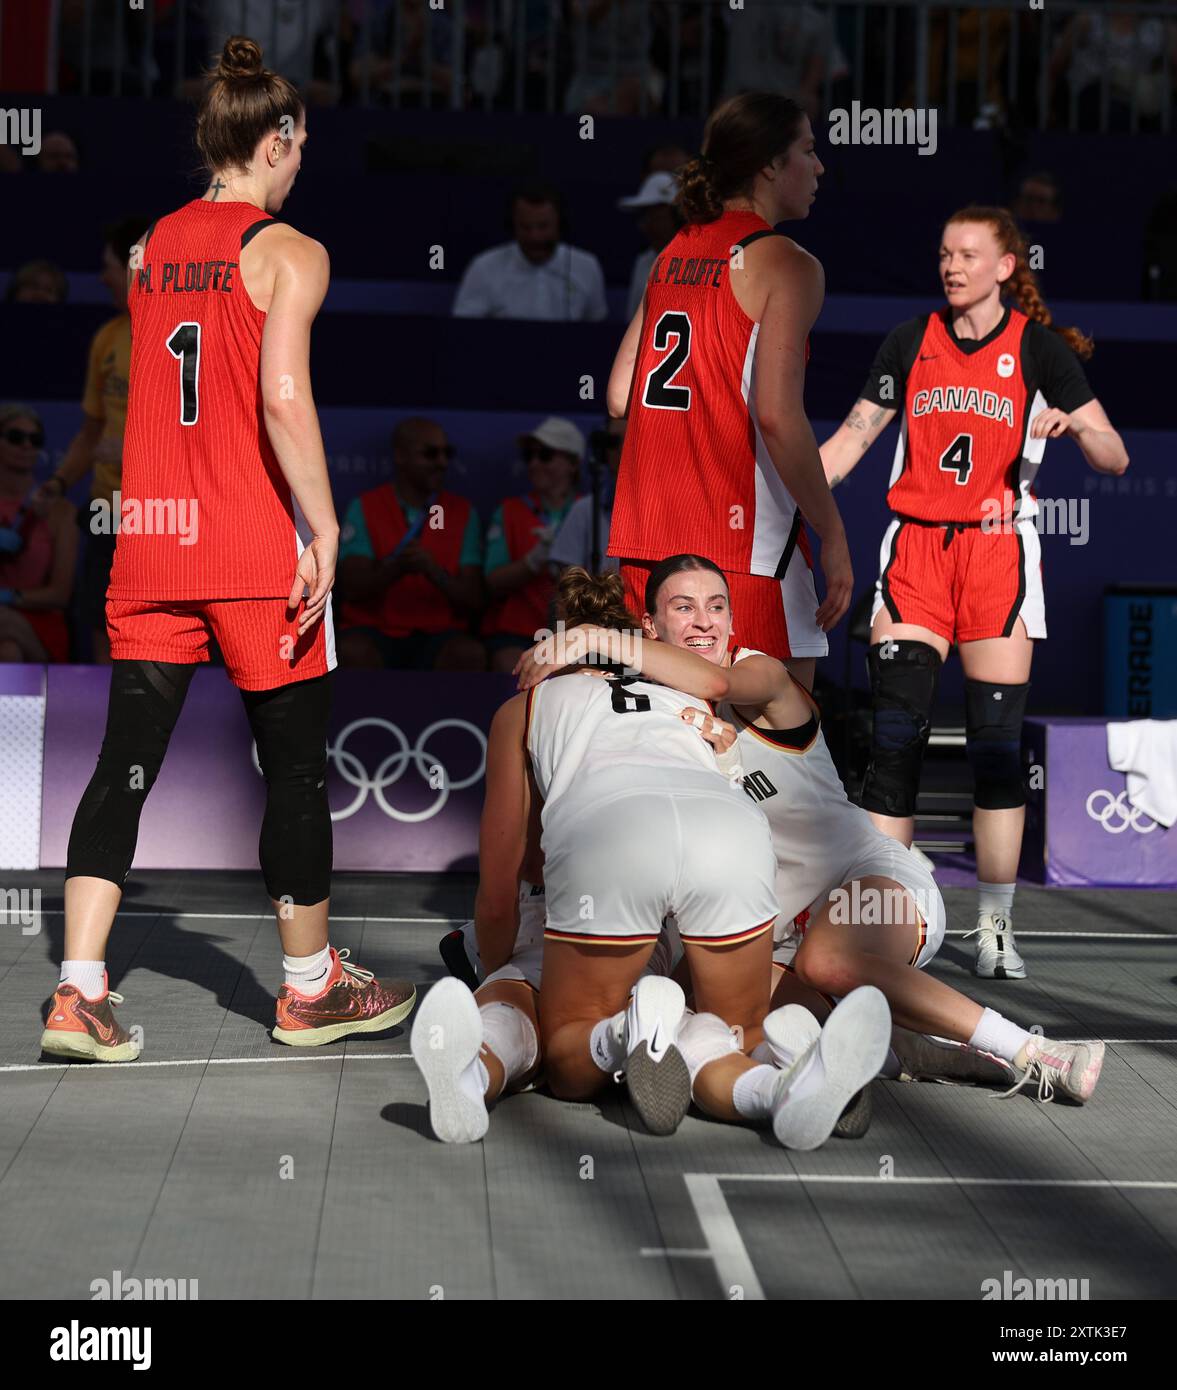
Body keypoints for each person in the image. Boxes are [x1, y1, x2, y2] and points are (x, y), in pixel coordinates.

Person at [41, 35, 414, 1065]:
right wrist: (327, 526)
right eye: (301, 145)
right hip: (255, 551)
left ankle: (76, 989)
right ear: (278, 139)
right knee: (294, 774)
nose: (303, 165)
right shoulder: (292, 250)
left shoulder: (152, 246)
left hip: (154, 546)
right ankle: (306, 987)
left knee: (124, 764)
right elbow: (281, 397)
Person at [515, 554, 1106, 1109]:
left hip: (865, 881)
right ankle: (918, 1052)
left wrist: (592, 637)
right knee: (716, 1016)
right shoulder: (644, 709)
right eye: (684, 607)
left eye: (716, 605)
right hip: (775, 931)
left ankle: (1034, 1051)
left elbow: (716, 686)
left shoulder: (759, 674)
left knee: (830, 959)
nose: (704, 621)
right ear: (651, 623)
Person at [414, 566, 892, 1147]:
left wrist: (492, 972)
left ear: (551, 646)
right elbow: (720, 698)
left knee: (565, 1058)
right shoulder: (688, 687)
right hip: (728, 833)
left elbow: (496, 891)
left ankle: (558, 1050)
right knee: (729, 1034)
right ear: (639, 636)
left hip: (611, 835)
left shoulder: (526, 708)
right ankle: (784, 1082)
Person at [818, 206, 1129, 980]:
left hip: (997, 555)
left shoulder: (1037, 349)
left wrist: (1075, 427)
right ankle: (888, 926)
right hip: (917, 549)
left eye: (967, 253)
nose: (950, 264)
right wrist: (781, 489)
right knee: (894, 743)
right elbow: (853, 439)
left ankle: (993, 928)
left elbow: (1114, 455)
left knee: (995, 751)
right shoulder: (907, 341)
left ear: (1003, 266)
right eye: (942, 252)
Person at [606, 92, 853, 691]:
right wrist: (834, 532)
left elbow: (618, 394)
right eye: (808, 150)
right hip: (741, 552)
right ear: (770, 164)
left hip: (648, 540)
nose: (819, 167)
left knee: (666, 744)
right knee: (780, 753)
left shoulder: (674, 251)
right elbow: (777, 415)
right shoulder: (789, 263)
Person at [32, 215, 151, 663]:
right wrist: (59, 483)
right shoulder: (107, 337)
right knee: (102, 621)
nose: (102, 277)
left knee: (153, 629)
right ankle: (109, 724)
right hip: (108, 505)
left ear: (136, 265)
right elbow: (90, 432)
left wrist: (134, 453)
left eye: (110, 266)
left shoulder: (181, 335)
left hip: (164, 513)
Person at [336, 417, 485, 671]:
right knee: (352, 651)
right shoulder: (365, 507)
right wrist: (396, 568)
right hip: (375, 629)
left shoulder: (461, 511)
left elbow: (474, 598)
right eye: (430, 453)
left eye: (446, 453)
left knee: (468, 654)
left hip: (440, 632)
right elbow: (352, 588)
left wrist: (433, 571)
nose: (442, 462)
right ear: (400, 457)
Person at [482, 416, 583, 673]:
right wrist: (532, 562)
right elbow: (491, 583)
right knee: (512, 665)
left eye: (546, 455)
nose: (535, 464)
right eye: (530, 456)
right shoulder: (510, 511)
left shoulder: (591, 511)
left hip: (578, 630)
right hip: (517, 631)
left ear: (572, 463)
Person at [452, 181, 608, 322]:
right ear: (512, 225)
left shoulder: (587, 266)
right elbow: (463, 328)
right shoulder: (483, 267)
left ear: (560, 224)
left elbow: (597, 327)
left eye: (543, 226)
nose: (535, 237)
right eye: (526, 227)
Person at [0, 403, 77, 663]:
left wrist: (10, 597)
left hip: (40, 626)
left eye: (35, 440)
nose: (26, 446)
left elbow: (60, 594)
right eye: (15, 437)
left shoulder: (61, 512)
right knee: (7, 651)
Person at [548, 416, 624, 575]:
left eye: (631, 439)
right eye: (614, 441)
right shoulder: (586, 509)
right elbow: (566, 578)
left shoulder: (668, 507)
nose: (623, 448)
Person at [617, 170, 684, 320]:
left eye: (656, 214)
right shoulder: (642, 262)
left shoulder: (694, 262)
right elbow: (631, 320)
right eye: (645, 214)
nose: (648, 223)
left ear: (676, 216)